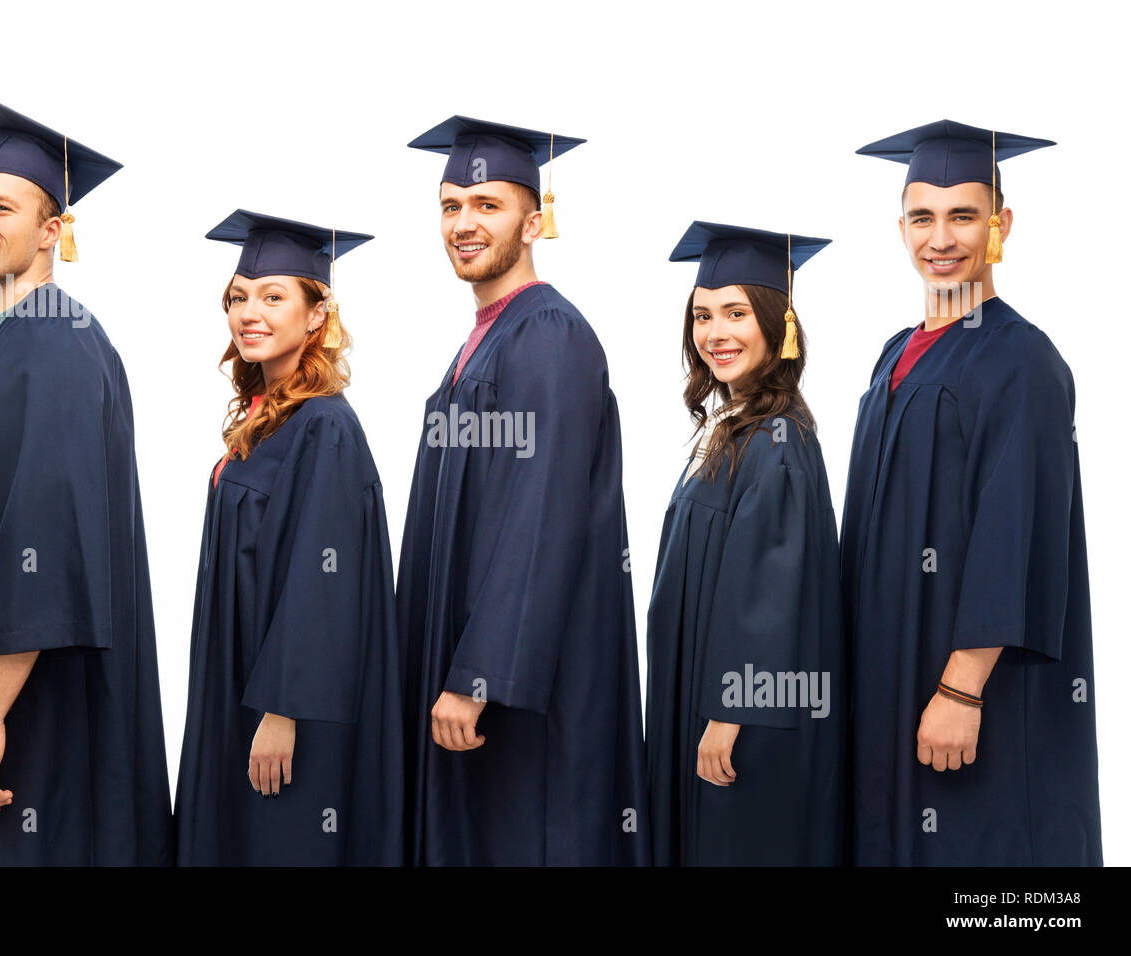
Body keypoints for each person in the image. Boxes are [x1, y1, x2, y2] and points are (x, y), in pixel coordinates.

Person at [0, 101, 172, 865]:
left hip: (30, 717)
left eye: (0, 206)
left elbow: (44, 556)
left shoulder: (54, 346)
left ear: (52, 232)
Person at [841, 119, 1101, 865]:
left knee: (981, 853)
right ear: (900, 228)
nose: (942, 238)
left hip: (972, 687)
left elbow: (1012, 531)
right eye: (923, 217)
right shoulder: (894, 354)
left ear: (1001, 225)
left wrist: (961, 689)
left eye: (964, 215)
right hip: (891, 672)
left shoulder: (1021, 359)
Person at [397, 116, 648, 865]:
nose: (464, 224)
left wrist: (480, 674)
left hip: (527, 687)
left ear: (534, 220)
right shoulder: (483, 337)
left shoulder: (549, 335)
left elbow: (540, 515)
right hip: (478, 672)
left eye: (487, 205)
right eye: (450, 206)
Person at [174, 211, 402, 865]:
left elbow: (321, 582)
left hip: (293, 709)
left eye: (274, 297)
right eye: (239, 298)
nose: (250, 312)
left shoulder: (324, 426)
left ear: (315, 316)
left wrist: (281, 712)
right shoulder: (266, 420)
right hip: (245, 685)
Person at [646, 222, 846, 866]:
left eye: (736, 313)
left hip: (747, 719)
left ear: (777, 325)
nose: (716, 333)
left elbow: (770, 593)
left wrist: (729, 714)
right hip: (708, 702)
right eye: (703, 316)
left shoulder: (777, 442)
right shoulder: (733, 429)